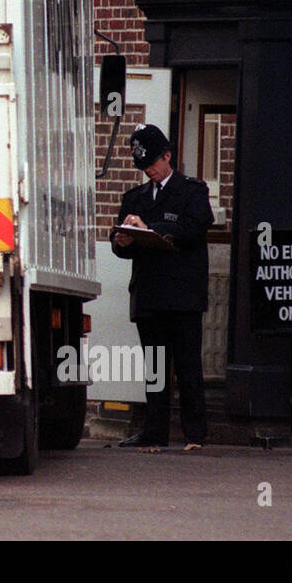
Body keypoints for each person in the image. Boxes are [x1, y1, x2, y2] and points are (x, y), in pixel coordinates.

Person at [109, 124, 214, 450]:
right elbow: (121, 248)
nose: (149, 171)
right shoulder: (135, 198)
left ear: (168, 155)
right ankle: (154, 431)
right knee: (155, 367)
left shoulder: (192, 191)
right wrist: (123, 240)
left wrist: (150, 227)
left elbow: (194, 229)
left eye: (153, 163)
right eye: (143, 166)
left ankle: (195, 434)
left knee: (187, 366)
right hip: (150, 295)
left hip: (182, 296)